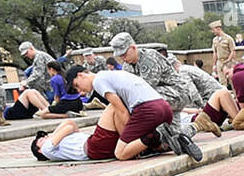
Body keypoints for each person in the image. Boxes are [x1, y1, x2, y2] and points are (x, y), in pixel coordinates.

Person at [67, 64, 197, 160]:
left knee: (121, 153)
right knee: (152, 147)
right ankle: (173, 140)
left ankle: (157, 134)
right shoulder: (112, 74)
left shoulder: (98, 81)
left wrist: (128, 141)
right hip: (164, 106)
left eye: (77, 85)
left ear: (81, 75)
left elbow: (121, 111)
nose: (80, 91)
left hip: (147, 109)